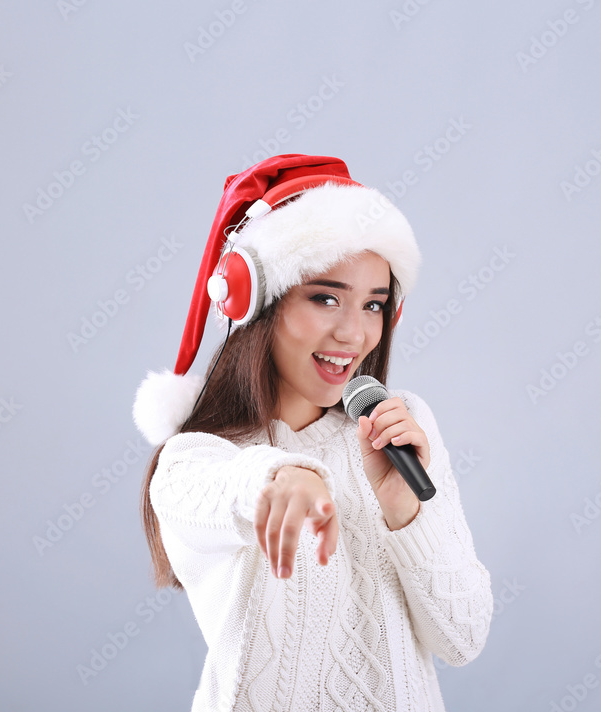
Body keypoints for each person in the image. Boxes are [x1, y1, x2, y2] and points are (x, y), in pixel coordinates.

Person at [132, 154, 493, 711]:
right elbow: (224, 487)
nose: (353, 332)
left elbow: (463, 638)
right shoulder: (194, 459)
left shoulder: (402, 429)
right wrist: (281, 478)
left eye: (374, 304)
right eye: (325, 297)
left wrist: (406, 509)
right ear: (259, 304)